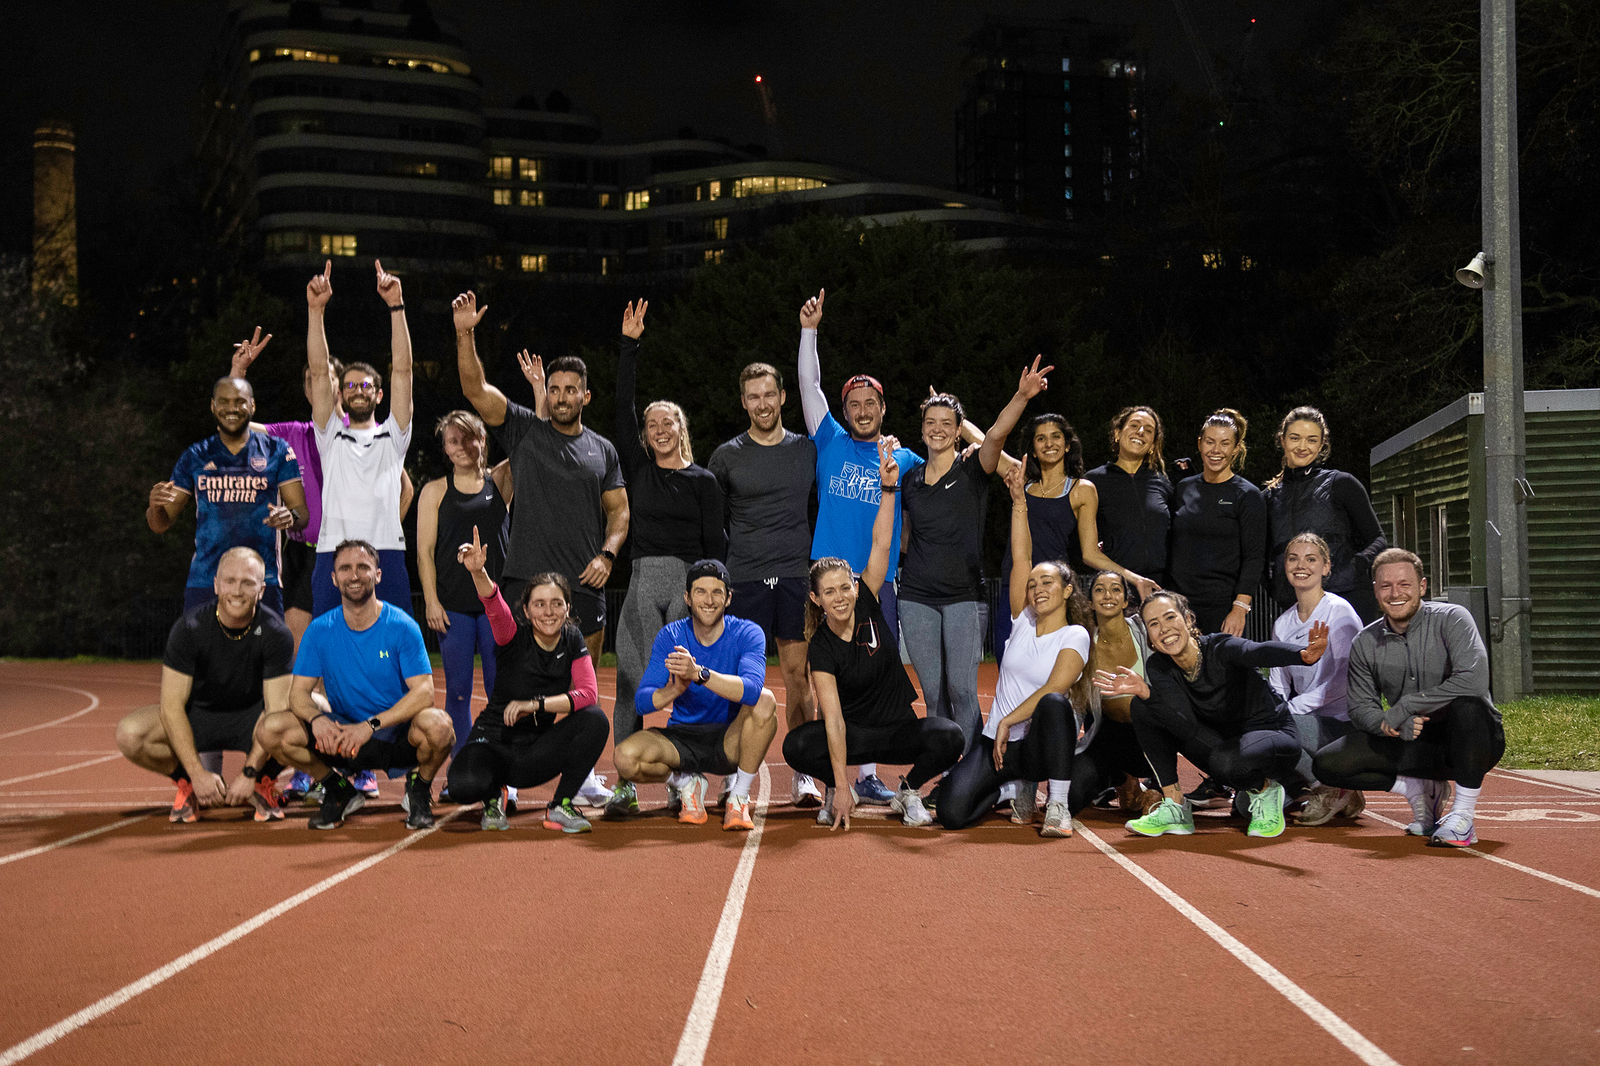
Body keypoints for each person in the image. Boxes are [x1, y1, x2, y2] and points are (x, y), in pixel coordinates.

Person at [453, 291, 624, 809]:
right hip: (524, 581)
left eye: (572, 389)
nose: (563, 396)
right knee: (510, 684)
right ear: (547, 393)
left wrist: (608, 554)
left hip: (584, 586)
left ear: (586, 396)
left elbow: (619, 512)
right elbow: (475, 389)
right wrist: (464, 333)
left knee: (582, 688)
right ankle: (503, 775)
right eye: (556, 388)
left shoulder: (604, 450)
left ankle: (581, 776)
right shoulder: (525, 430)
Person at [146, 345, 306, 797]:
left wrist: (288, 518)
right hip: (206, 582)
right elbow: (162, 523)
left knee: (271, 681)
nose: (232, 408)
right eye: (224, 402)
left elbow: (302, 514)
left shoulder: (276, 450)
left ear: (253, 407)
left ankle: (264, 777)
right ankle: (203, 776)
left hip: (263, 583)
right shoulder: (195, 455)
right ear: (212, 407)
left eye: (240, 402)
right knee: (202, 680)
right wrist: (154, 507)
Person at [782, 439, 964, 830]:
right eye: (829, 592)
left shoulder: (867, 598)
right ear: (816, 599)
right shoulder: (822, 647)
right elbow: (832, 719)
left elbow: (881, 541)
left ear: (855, 587)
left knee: (950, 736)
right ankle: (835, 790)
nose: (839, 597)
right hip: (853, 735)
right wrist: (841, 784)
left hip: (897, 730)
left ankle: (908, 790)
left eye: (844, 587)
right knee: (796, 745)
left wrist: (888, 488)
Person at [796, 288, 925, 805]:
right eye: (854, 403)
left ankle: (867, 773)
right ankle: (833, 776)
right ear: (845, 410)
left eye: (871, 403)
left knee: (871, 674)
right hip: (828, 583)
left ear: (884, 408)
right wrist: (809, 332)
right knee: (825, 674)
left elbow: (952, 469)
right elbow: (809, 386)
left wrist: (957, 422)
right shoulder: (830, 439)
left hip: (875, 583)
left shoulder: (903, 458)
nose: (863, 410)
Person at [604, 301, 727, 817]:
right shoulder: (638, 469)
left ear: (681, 428)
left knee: (689, 684)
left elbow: (715, 546)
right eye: (651, 423)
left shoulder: (704, 481)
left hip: (686, 589)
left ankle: (687, 777)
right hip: (641, 585)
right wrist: (629, 346)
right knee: (631, 684)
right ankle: (626, 786)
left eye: (667, 421)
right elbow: (621, 408)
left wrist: (714, 599)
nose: (658, 428)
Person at [229, 327, 414, 651]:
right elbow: (237, 428)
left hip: (358, 550)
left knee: (371, 639)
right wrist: (238, 372)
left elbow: (406, 489)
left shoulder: (366, 431)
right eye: (311, 380)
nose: (318, 385)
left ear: (338, 388)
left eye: (326, 379)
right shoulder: (295, 433)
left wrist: (380, 530)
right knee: (303, 639)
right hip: (306, 550)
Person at [898, 359, 1049, 752]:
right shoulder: (909, 480)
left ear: (958, 430)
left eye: (946, 423)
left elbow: (997, 434)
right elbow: (905, 536)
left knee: (962, 689)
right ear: (922, 429)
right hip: (916, 596)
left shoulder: (974, 468)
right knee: (933, 692)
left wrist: (1022, 396)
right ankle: (942, 763)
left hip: (964, 596)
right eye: (930, 422)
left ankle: (971, 766)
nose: (937, 429)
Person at [1094, 591, 1328, 839]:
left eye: (1170, 617)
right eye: (1154, 624)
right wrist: (1145, 693)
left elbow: (1256, 651)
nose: (1164, 628)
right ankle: (1175, 805)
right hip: (1227, 748)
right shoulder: (1159, 666)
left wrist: (1301, 655)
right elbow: (1183, 725)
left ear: (1187, 619)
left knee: (1227, 761)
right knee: (1144, 706)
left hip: (1271, 736)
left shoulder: (1220, 648)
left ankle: (1266, 790)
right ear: (1149, 637)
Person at [1312, 548, 1504, 847]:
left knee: (1469, 706)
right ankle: (1419, 788)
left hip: (1472, 741)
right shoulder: (1365, 642)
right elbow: (1361, 708)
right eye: (1385, 586)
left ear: (1422, 587)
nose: (1395, 593)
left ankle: (1463, 817)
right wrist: (1390, 726)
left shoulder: (1453, 618)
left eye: (1404, 584)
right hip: (1414, 742)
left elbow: (1474, 681)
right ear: (1375, 590)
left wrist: (1407, 706)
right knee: (1328, 764)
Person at [935, 465, 1090, 837]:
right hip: (999, 744)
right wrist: (1019, 500)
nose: (1037, 589)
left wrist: (1007, 720)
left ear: (1068, 589)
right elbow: (1021, 558)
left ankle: (1057, 805)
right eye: (1033, 584)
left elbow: (1054, 687)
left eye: (1047, 582)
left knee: (1054, 703)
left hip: (1037, 745)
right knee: (951, 813)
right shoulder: (1022, 620)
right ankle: (1008, 789)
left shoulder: (1075, 635)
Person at [255, 540, 452, 830]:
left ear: (378, 575)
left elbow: (424, 693)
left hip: (393, 734)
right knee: (271, 729)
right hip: (341, 735)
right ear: (334, 578)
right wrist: (318, 721)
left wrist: (370, 726)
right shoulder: (320, 630)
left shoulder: (402, 626)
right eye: (345, 569)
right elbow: (298, 695)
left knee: (439, 726)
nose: (354, 575)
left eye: (363, 567)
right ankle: (338, 790)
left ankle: (419, 787)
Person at [708, 362, 821, 808]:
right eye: (753, 396)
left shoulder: (807, 450)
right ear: (743, 402)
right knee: (739, 681)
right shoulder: (726, 456)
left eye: (769, 394)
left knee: (799, 677)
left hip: (795, 576)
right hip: (745, 579)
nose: (762, 404)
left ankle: (805, 773)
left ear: (783, 397)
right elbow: (713, 521)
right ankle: (732, 773)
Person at [444, 528, 610, 833]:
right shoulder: (511, 635)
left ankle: (560, 805)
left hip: (536, 753)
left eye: (557, 603)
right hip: (493, 742)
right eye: (539, 604)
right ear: (526, 609)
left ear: (568, 608)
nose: (548, 612)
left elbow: (588, 694)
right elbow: (493, 603)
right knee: (462, 786)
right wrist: (478, 572)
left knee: (595, 719)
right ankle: (494, 796)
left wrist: (534, 705)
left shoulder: (572, 638)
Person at [114, 547, 294, 824]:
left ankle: (262, 783)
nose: (237, 590)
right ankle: (186, 786)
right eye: (230, 581)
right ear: (216, 585)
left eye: (247, 583)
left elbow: (276, 709)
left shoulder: (274, 632)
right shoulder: (189, 628)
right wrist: (196, 773)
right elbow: (171, 707)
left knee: (312, 713)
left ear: (261, 590)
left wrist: (250, 773)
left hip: (253, 719)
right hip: (199, 718)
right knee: (130, 733)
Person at [611, 559, 780, 831]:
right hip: (682, 740)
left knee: (765, 700)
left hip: (729, 739)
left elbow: (751, 690)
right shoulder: (671, 635)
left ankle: (738, 797)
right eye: (700, 592)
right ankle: (687, 783)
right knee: (624, 758)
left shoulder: (748, 633)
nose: (709, 600)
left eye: (716, 592)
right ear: (687, 598)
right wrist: (675, 689)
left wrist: (699, 673)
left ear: (728, 598)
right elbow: (641, 702)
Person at [992, 413, 1153, 662]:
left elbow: (1090, 553)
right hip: (1016, 584)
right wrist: (953, 414)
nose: (1049, 443)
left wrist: (1134, 578)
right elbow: (988, 442)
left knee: (1051, 665)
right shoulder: (1021, 479)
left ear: (1067, 445)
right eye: (1041, 438)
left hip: (1054, 589)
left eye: (1056, 437)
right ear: (1032, 449)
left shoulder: (1082, 490)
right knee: (1009, 659)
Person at [304, 259, 416, 616]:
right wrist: (316, 311)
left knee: (396, 642)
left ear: (379, 395)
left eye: (365, 385)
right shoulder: (330, 435)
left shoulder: (393, 436)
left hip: (386, 550)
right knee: (329, 641)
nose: (357, 390)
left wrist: (396, 306)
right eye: (349, 386)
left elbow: (403, 370)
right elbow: (319, 372)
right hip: (332, 551)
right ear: (340, 395)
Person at [416, 411, 513, 766]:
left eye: (469, 438)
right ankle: (462, 767)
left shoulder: (501, 480)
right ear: (444, 447)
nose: (461, 447)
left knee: (499, 690)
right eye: (453, 441)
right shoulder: (434, 491)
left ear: (482, 439)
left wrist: (538, 393)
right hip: (453, 606)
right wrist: (431, 601)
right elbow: (425, 552)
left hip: (495, 606)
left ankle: (501, 768)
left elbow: (532, 439)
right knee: (457, 692)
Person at [1268, 533, 1366, 825]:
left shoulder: (1339, 612)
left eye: (1311, 559)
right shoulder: (1282, 624)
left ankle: (1330, 785)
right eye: (1293, 558)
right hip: (1301, 721)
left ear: (1326, 567)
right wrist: (1273, 710)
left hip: (1339, 725)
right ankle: (1330, 789)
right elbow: (1277, 684)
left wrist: (1287, 711)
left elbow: (1343, 682)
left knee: (1276, 728)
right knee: (1245, 807)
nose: (1301, 565)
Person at [1262, 406, 1388, 623]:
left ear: (1322, 444)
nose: (1303, 446)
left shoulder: (1342, 484)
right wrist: (1275, 587)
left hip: (1347, 596)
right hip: (1294, 604)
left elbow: (1378, 539)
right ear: (1282, 440)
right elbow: (1261, 555)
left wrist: (1354, 566)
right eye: (1295, 438)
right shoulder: (1268, 498)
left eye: (1311, 440)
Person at [1167, 409, 1267, 636]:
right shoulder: (1183, 488)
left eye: (1225, 443)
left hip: (1223, 608)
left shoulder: (1248, 495)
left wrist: (1239, 608)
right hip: (1179, 606)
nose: (1216, 450)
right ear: (1199, 444)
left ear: (1236, 449)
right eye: (1210, 442)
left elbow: (1254, 557)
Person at [1072, 569, 1161, 816]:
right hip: (1109, 736)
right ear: (1091, 602)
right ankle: (1123, 781)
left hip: (1150, 735)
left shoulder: (1145, 631)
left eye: (1115, 589)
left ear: (1125, 601)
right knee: (1072, 796)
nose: (1107, 595)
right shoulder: (1083, 643)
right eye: (1099, 590)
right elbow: (1075, 703)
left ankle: (1160, 787)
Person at [1082, 406, 1175, 602]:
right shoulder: (1093, 481)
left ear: (1152, 444)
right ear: (1117, 434)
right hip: (1115, 590)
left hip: (1160, 590)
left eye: (1148, 430)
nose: (1140, 432)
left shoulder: (1163, 482)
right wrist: (1134, 579)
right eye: (1134, 425)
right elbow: (1088, 553)